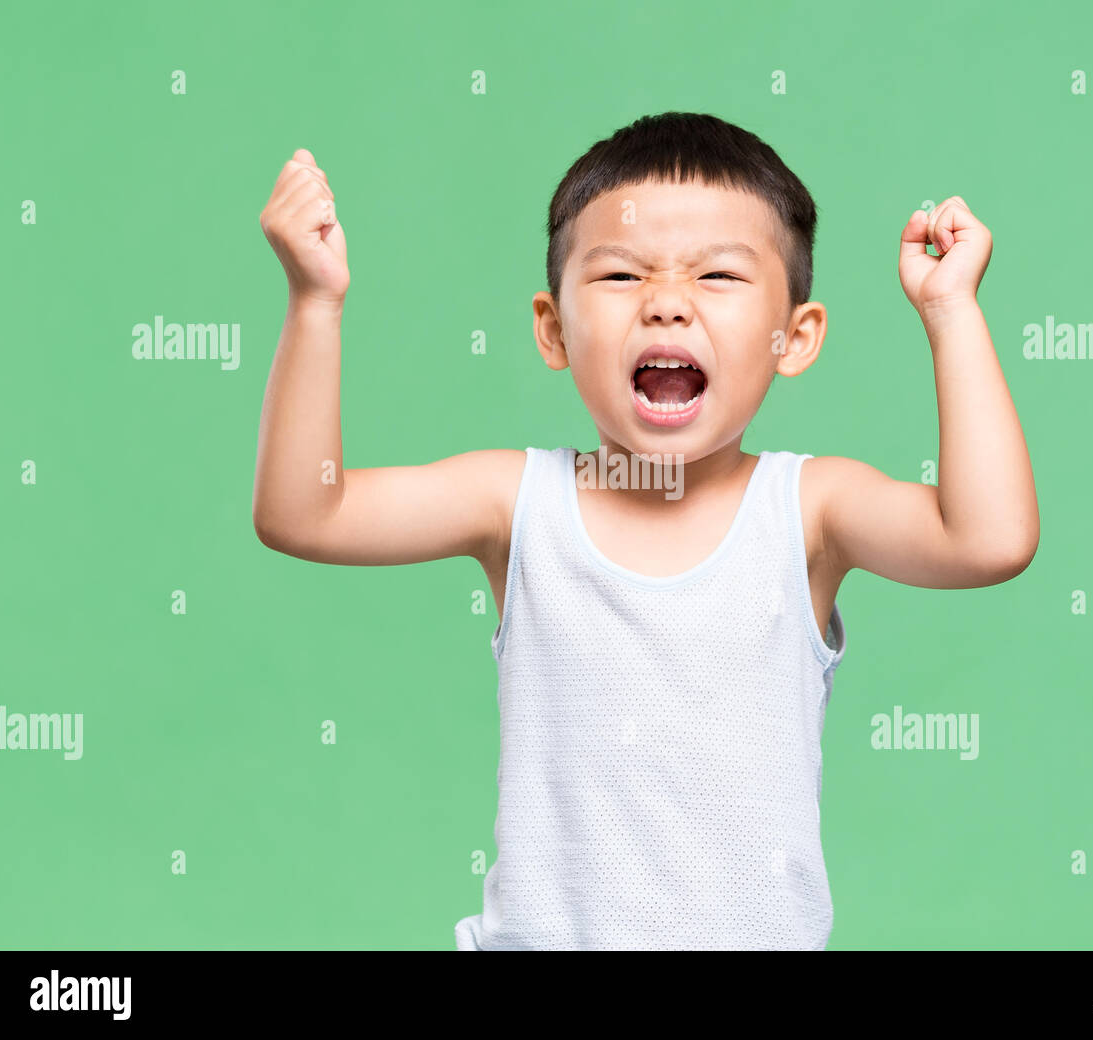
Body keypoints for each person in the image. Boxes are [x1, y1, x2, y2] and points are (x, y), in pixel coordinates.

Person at [253, 111, 1039, 950]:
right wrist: (315, 302)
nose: (667, 305)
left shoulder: (809, 511)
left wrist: (951, 310)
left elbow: (987, 538)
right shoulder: (516, 502)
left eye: (719, 277)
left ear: (795, 338)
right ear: (553, 330)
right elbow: (307, 512)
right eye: (623, 277)